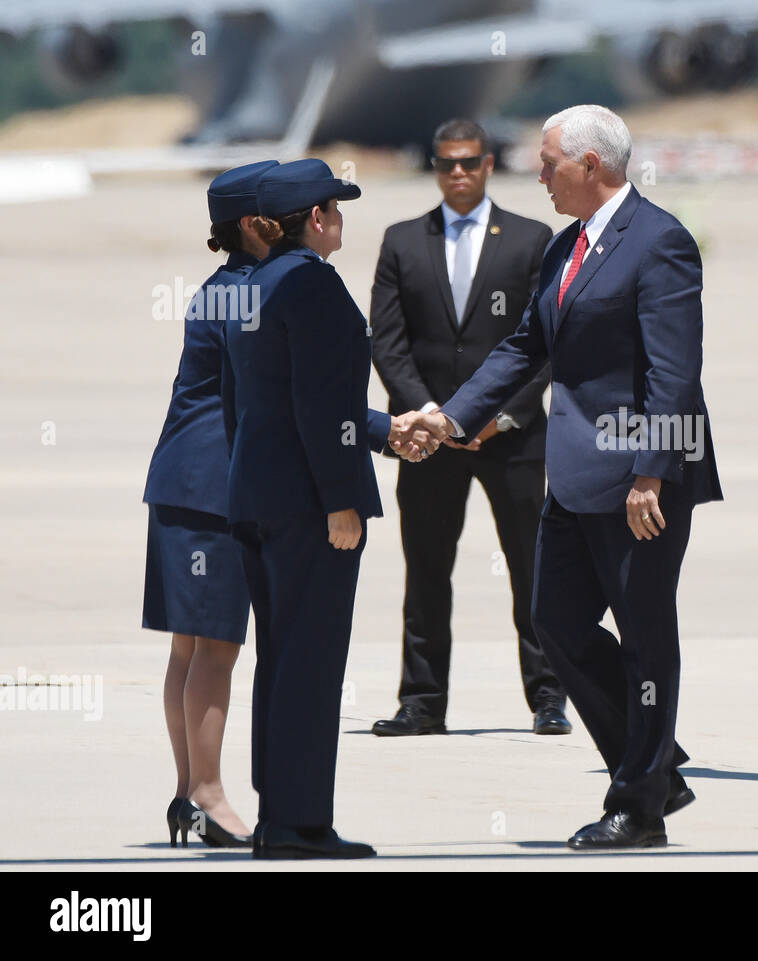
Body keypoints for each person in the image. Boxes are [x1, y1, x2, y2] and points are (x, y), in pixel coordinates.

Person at [400, 104, 723, 849]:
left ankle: (637, 806)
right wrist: (449, 419)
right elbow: (523, 349)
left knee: (645, 637)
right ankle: (654, 767)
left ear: (590, 164)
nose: (537, 174)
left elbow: (675, 371)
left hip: (642, 478)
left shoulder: (661, 242)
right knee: (556, 622)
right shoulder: (564, 247)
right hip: (574, 470)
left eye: (548, 162)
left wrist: (652, 472)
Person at [221, 158, 425, 859]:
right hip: (308, 504)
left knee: (282, 659)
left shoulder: (256, 284)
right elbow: (316, 406)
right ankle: (298, 824)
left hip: (260, 496)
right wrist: (341, 501)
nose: (340, 218)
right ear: (315, 219)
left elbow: (269, 401)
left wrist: (380, 432)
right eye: (334, 207)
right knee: (310, 662)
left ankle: (282, 812)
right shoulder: (312, 284)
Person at [369, 118, 570, 738]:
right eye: (446, 162)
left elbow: (550, 343)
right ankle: (423, 703)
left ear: (488, 165)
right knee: (426, 571)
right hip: (427, 441)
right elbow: (388, 340)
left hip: (511, 438)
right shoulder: (403, 241)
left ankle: (549, 696)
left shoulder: (533, 239)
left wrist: (500, 415)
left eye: (469, 161)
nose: (458, 172)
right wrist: (431, 417)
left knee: (531, 569)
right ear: (435, 167)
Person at [144, 160, 278, 848]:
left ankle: (186, 791)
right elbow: (275, 397)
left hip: (181, 484)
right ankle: (207, 793)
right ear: (256, 224)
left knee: (190, 649)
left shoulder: (222, 288)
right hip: (210, 489)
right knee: (216, 650)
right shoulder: (248, 294)